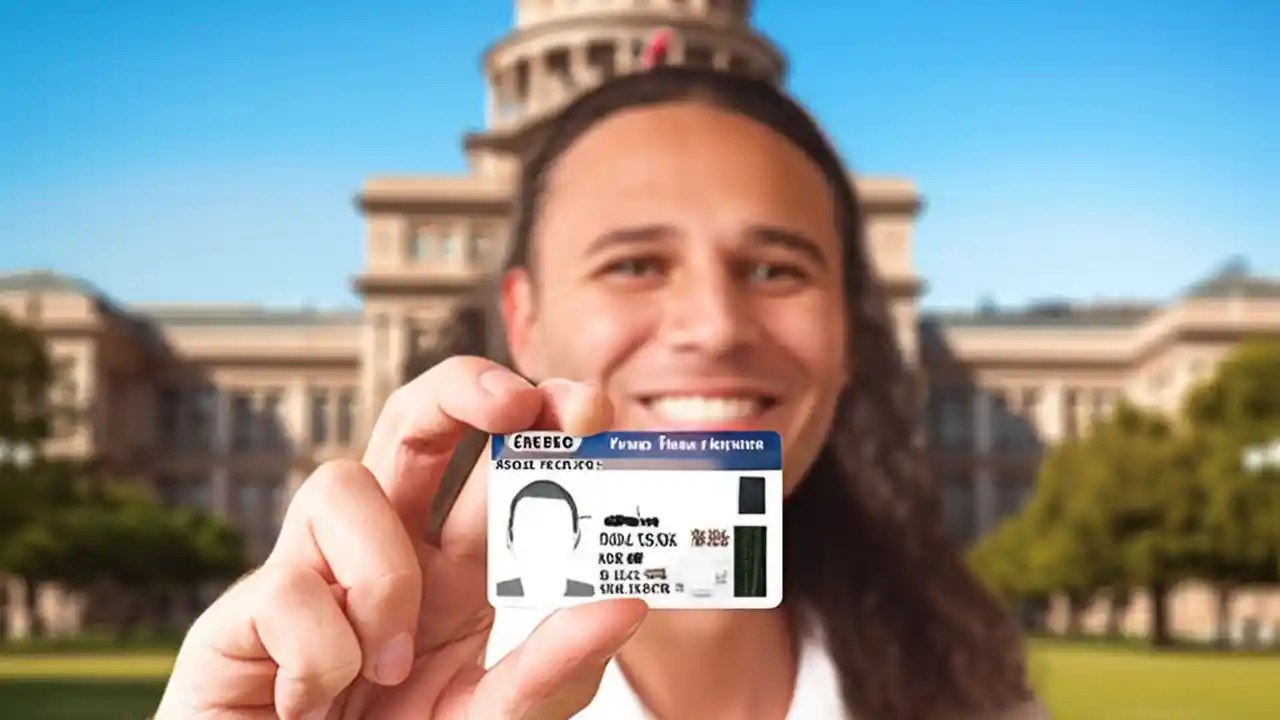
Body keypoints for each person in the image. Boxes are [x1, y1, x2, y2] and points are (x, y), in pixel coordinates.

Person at [156, 60, 1047, 719]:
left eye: (776, 269)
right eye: (634, 263)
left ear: (849, 331)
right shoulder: (395, 682)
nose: (714, 325)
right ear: (523, 317)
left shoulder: (976, 699)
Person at [496, 480, 595, 599]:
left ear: (575, 537)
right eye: (529, 525)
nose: (541, 542)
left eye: (555, 526)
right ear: (509, 536)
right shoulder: (493, 595)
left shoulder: (595, 598)